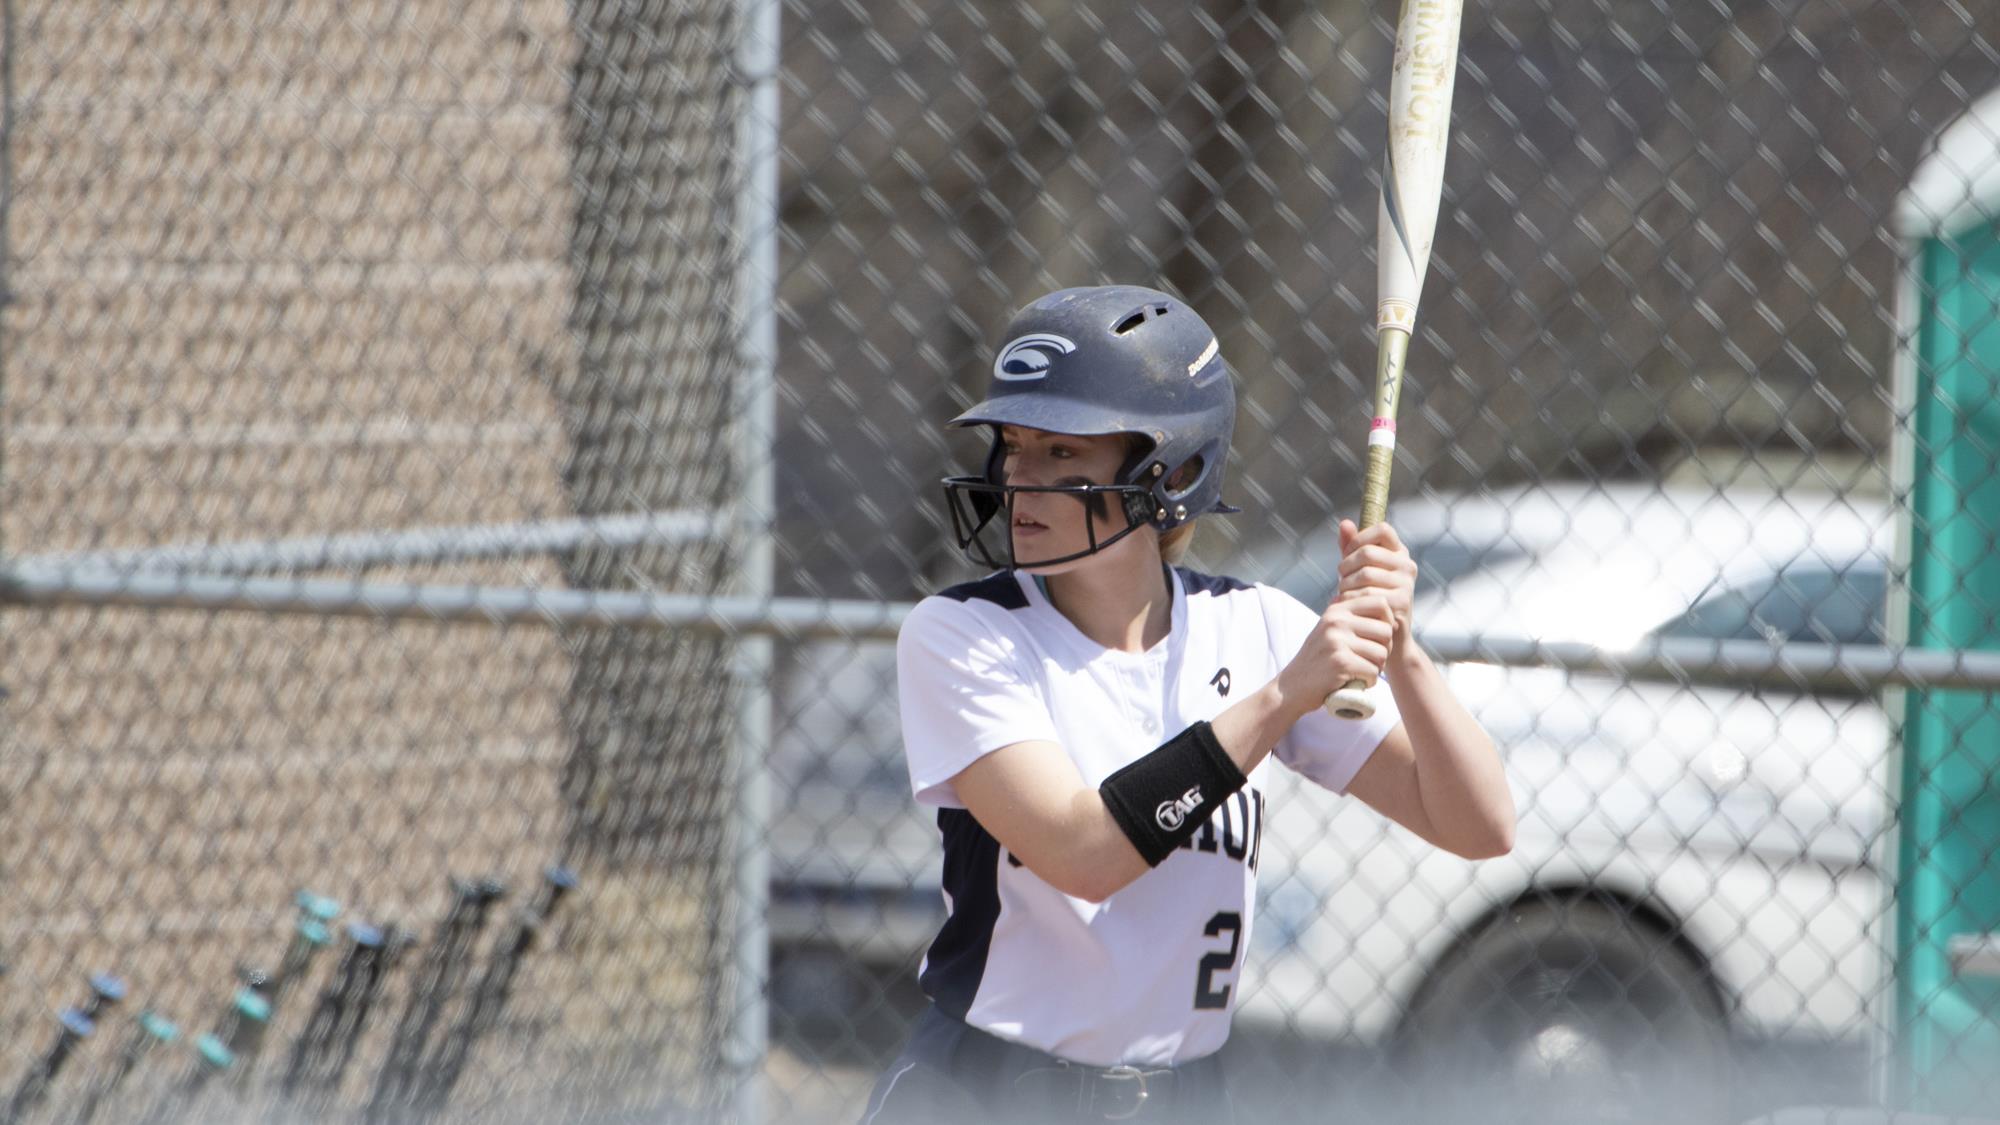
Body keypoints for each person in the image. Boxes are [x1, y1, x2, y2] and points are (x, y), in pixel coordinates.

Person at [861, 284, 1515, 1124]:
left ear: (1170, 472)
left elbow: (1479, 825)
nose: (1021, 482)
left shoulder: (1253, 627)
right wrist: (1280, 700)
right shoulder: (966, 633)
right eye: (1017, 447)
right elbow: (1084, 853)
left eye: (1064, 454)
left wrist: (1404, 649)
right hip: (989, 1091)